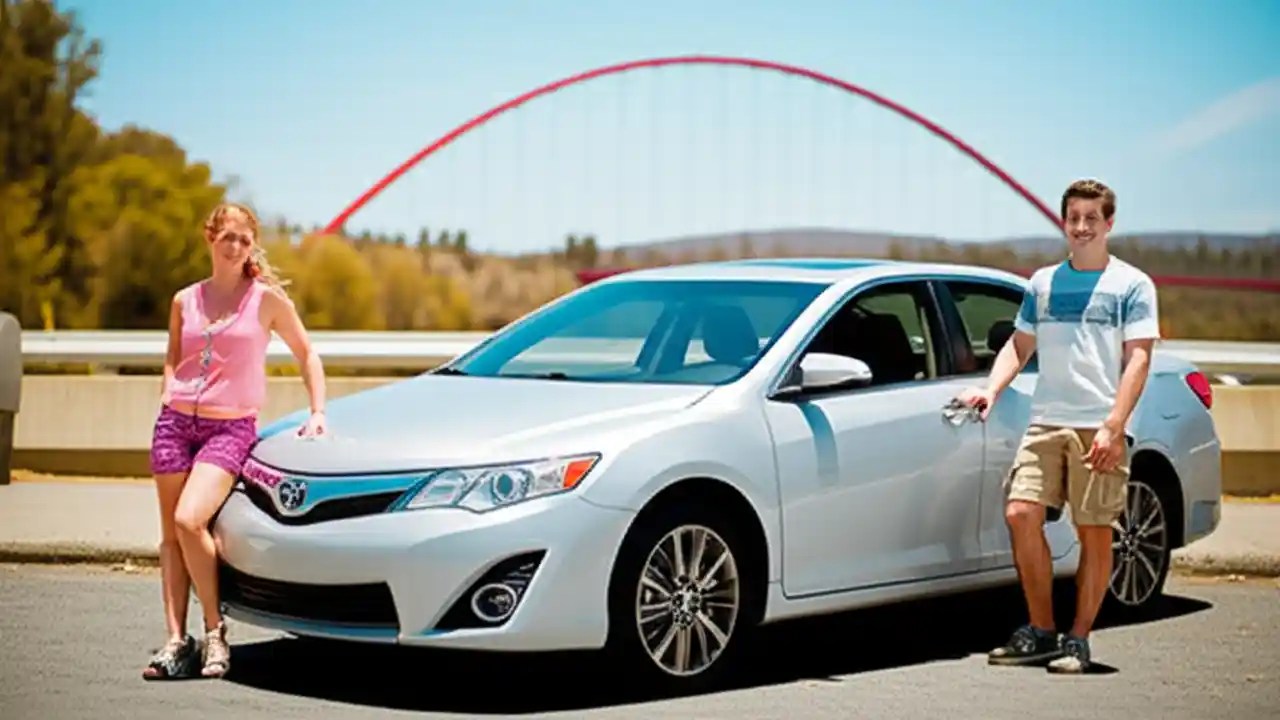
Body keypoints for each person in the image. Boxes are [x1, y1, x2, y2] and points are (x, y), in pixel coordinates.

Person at [956, 179, 1160, 674]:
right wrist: (992, 388)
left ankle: (1079, 639)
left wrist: (1115, 425)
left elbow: (1138, 360)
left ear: (1109, 223)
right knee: (1020, 513)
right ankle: (1042, 630)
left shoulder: (1132, 285)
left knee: (1093, 532)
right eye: (1074, 217)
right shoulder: (1042, 283)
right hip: (1045, 421)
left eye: (1092, 218)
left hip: (1099, 426)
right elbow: (1019, 346)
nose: (1082, 227)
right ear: (1064, 222)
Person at [142, 202, 328, 680]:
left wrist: (317, 413)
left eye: (245, 240)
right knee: (168, 537)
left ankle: (215, 634)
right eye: (229, 237)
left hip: (230, 428)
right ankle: (174, 641)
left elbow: (307, 354)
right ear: (210, 238)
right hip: (175, 424)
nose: (237, 247)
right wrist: (169, 389)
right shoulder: (185, 300)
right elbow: (172, 355)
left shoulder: (264, 299)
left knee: (189, 520)